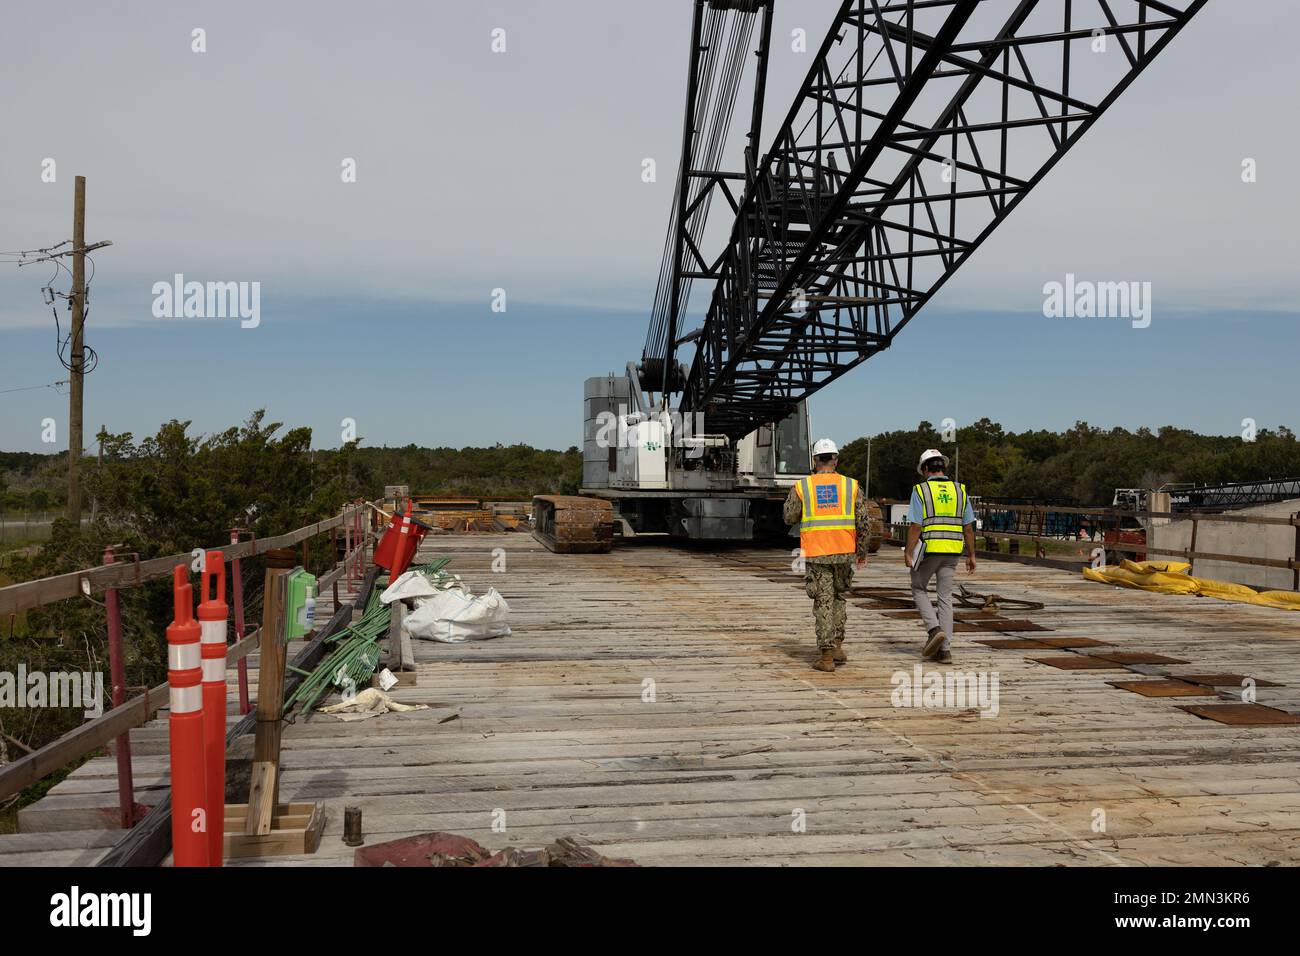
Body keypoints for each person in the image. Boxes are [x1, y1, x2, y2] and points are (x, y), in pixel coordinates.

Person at [783, 438, 870, 672]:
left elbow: (789, 517)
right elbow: (863, 522)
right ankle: (838, 645)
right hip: (843, 552)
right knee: (839, 598)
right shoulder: (851, 486)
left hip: (818, 553)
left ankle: (826, 656)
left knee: (823, 601)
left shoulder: (803, 487)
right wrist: (860, 551)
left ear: (814, 460)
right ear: (835, 459)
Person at [904, 449, 976, 664]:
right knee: (945, 597)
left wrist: (908, 551)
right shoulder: (960, 490)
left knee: (918, 588)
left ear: (925, 469)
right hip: (953, 551)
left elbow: (916, 526)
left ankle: (934, 629)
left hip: (929, 550)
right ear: (943, 468)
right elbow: (969, 527)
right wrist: (972, 555)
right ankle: (945, 651)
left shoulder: (921, 490)